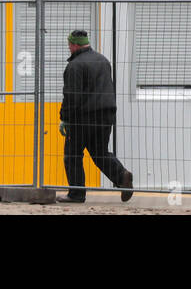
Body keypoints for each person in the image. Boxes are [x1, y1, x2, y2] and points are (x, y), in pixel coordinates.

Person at [57, 29, 134, 204]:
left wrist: (65, 118)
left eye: (69, 45)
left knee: (73, 154)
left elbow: (72, 96)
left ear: (74, 44)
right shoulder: (103, 61)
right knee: (100, 152)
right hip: (106, 115)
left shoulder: (75, 66)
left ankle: (76, 194)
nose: (69, 48)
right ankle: (121, 176)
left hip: (83, 117)